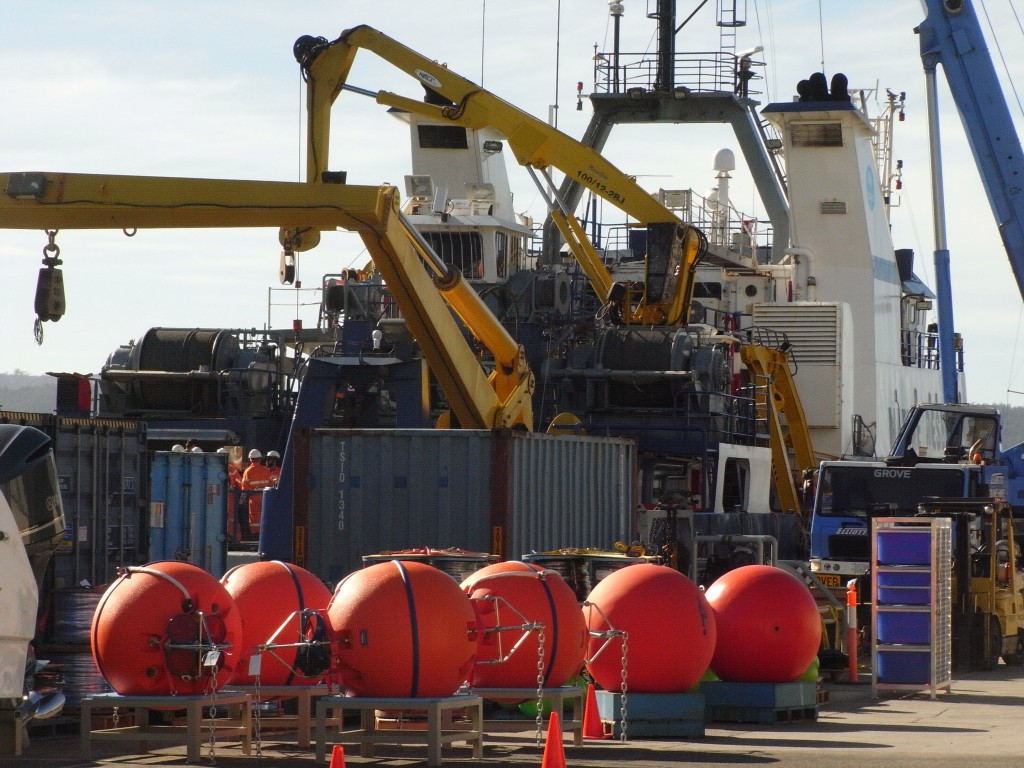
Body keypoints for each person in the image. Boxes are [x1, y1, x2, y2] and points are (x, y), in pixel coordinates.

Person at [240, 449, 274, 540]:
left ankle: (255, 538)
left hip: (253, 498)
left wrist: (242, 502)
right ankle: (265, 537)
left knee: (254, 519)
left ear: (250, 459)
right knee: (265, 516)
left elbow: (244, 489)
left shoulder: (248, 471)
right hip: (265, 497)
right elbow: (271, 485)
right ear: (259, 459)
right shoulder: (266, 470)